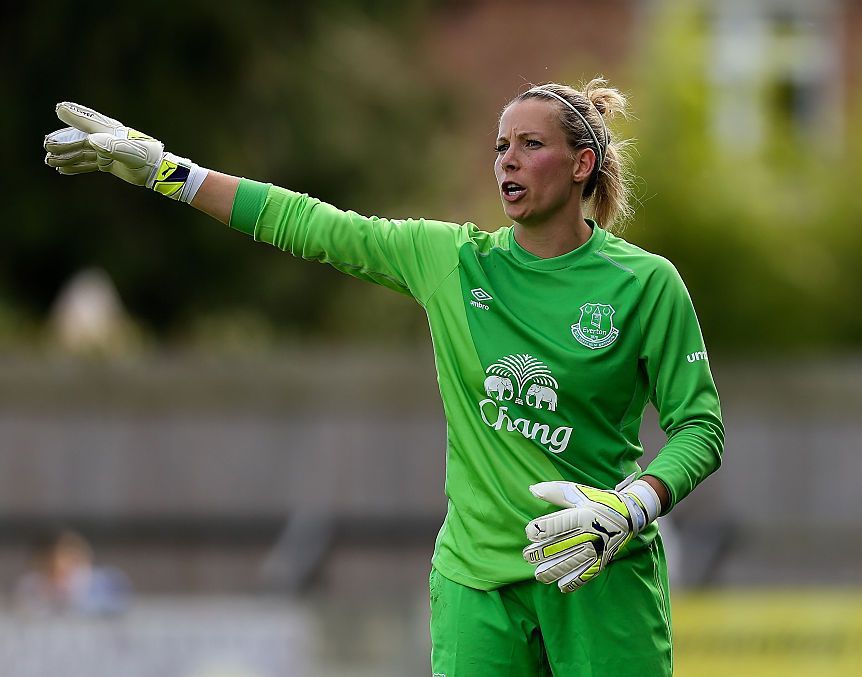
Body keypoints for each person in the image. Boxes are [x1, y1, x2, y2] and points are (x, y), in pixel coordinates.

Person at [43, 77, 724, 676]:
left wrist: (631, 505)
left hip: (599, 568)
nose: (507, 160)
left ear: (583, 164)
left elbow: (700, 426)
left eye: (529, 144)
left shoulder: (645, 284)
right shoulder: (452, 261)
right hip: (477, 579)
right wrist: (167, 169)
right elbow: (310, 224)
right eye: (498, 146)